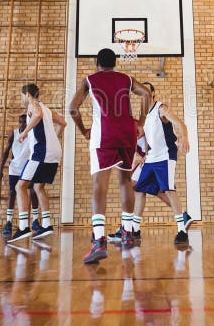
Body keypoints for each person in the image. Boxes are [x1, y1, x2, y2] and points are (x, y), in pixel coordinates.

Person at [68, 48, 152, 263]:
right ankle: (127, 232)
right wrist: (141, 122)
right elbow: (146, 94)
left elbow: (73, 109)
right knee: (125, 182)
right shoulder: (126, 78)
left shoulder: (90, 80)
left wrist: (83, 130)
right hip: (127, 133)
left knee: (99, 185)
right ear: (115, 63)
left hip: (104, 135)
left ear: (97, 63)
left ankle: (98, 240)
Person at [132, 82, 194, 245]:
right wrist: (145, 153)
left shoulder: (161, 108)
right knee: (139, 189)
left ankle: (181, 230)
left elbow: (180, 123)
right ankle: (135, 230)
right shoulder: (143, 113)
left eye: (147, 89)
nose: (143, 92)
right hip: (151, 157)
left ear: (152, 93)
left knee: (168, 189)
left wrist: (184, 137)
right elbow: (148, 136)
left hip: (166, 156)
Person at [8, 83, 66, 242]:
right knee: (38, 186)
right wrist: (55, 138)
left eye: (22, 95)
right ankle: (46, 224)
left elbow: (38, 114)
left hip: (42, 152)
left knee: (20, 186)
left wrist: (25, 133)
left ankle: (23, 227)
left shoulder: (34, 105)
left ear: (27, 94)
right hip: (54, 153)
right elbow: (63, 122)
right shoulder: (47, 108)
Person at [0, 114, 42, 236]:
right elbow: (6, 151)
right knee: (12, 193)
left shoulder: (33, 134)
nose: (22, 124)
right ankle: (8, 222)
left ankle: (35, 221)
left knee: (33, 192)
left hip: (28, 167)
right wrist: (0, 170)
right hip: (15, 169)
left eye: (24, 122)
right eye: (20, 122)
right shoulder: (14, 134)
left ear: (28, 123)